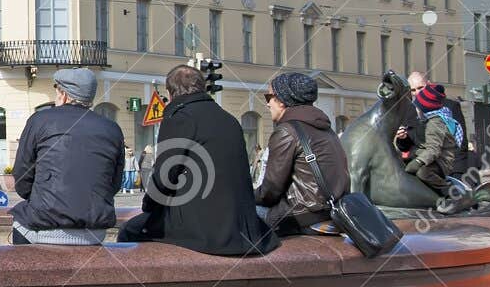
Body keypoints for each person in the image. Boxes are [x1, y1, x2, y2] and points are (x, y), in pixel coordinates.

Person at [118, 65, 278, 256]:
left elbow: (165, 176)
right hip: (244, 228)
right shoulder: (229, 119)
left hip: (206, 229)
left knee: (129, 231)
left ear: (170, 93)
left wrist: (149, 208)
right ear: (202, 87)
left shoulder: (180, 116)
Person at [9, 68, 123, 245]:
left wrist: (42, 197)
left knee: (19, 222)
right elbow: (114, 183)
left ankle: (24, 271)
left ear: (63, 94)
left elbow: (22, 177)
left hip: (45, 227)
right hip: (95, 231)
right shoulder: (112, 128)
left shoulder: (40, 120)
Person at [254, 71, 350, 237]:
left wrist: (245, 195)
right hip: (331, 210)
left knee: (238, 212)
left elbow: (270, 193)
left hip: (301, 214)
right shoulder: (326, 128)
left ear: (282, 100)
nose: (267, 104)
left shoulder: (287, 131)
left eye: (269, 97)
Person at [396, 82, 460, 193]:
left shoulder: (435, 122)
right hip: (422, 156)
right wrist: (403, 138)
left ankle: (451, 193)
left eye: (420, 88)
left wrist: (418, 161)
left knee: (423, 173)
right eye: (413, 90)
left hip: (439, 161)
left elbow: (433, 148)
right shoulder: (420, 117)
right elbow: (411, 143)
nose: (416, 92)